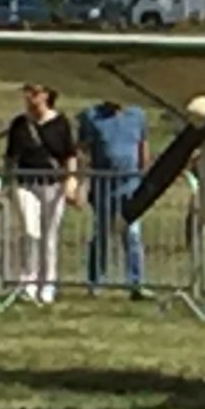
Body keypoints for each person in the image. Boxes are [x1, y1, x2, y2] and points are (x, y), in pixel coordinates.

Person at [3, 83, 79, 304]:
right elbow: (10, 157)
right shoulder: (20, 124)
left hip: (52, 184)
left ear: (46, 95)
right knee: (30, 231)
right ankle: (27, 282)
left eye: (34, 92)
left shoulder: (60, 123)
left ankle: (48, 285)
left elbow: (69, 154)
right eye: (27, 92)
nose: (29, 97)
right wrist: (6, 184)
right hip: (25, 183)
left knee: (49, 236)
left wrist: (71, 179)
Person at [76, 98, 151, 298]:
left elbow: (143, 148)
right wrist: (82, 181)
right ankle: (96, 282)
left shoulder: (138, 116)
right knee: (101, 235)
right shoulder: (91, 117)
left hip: (131, 187)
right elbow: (82, 151)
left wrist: (145, 179)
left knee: (133, 236)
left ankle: (136, 284)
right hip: (103, 187)